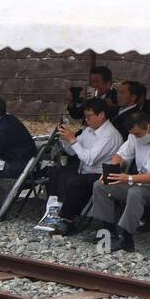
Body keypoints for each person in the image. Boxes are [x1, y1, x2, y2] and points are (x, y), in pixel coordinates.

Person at [40, 98, 123, 235]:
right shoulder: (89, 130)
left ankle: (67, 221)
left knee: (75, 182)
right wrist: (65, 139)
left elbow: (89, 159)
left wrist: (72, 139)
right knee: (56, 172)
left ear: (101, 115)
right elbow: (72, 151)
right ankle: (54, 212)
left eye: (89, 116)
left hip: (101, 174)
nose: (86, 119)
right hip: (84, 170)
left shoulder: (109, 135)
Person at [89, 112, 150, 253]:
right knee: (101, 185)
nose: (136, 137)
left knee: (135, 192)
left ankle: (126, 237)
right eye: (133, 134)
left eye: (138, 134)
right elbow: (120, 155)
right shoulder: (133, 137)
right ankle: (108, 229)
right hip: (139, 180)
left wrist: (130, 178)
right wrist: (112, 171)